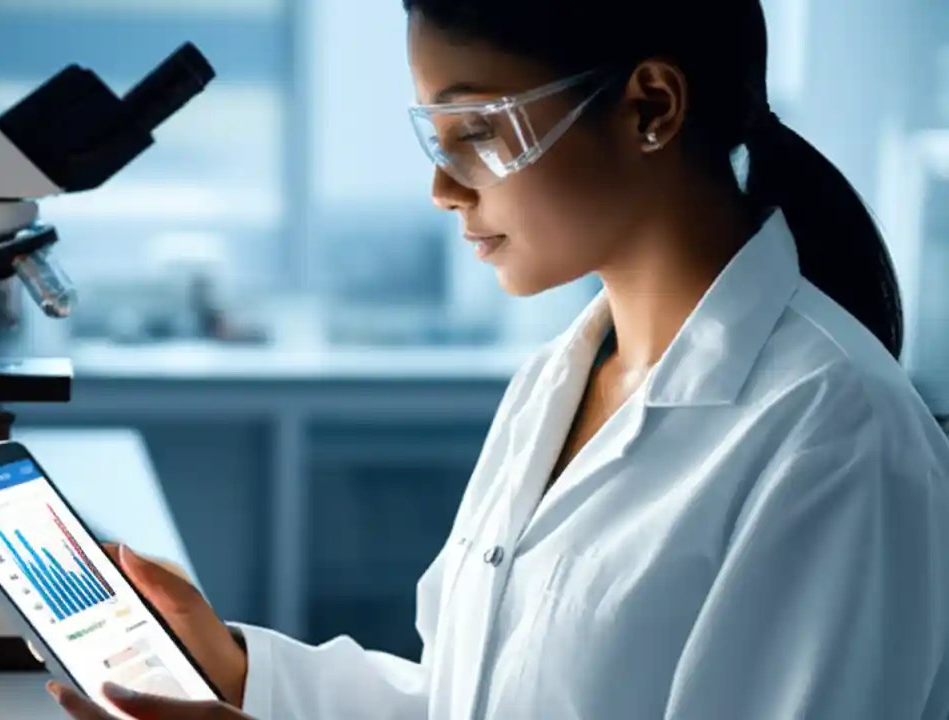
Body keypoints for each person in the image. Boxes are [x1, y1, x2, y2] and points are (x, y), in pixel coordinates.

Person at [51, 0, 949, 717]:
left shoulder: (838, 439)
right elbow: (464, 702)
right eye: (435, 135)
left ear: (651, 107)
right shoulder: (561, 382)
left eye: (477, 129)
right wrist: (239, 672)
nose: (443, 188)